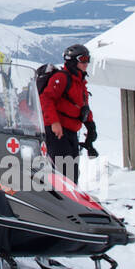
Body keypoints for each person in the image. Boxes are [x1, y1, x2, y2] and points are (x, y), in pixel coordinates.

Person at [38, 44, 97, 183]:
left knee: (72, 173)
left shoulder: (79, 81)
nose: (86, 63)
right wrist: (54, 122)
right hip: (58, 132)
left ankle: (70, 201)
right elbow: (46, 98)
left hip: (71, 132)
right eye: (83, 59)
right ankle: (60, 202)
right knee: (63, 174)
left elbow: (83, 106)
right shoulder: (61, 78)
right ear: (72, 60)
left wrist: (90, 125)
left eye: (88, 59)